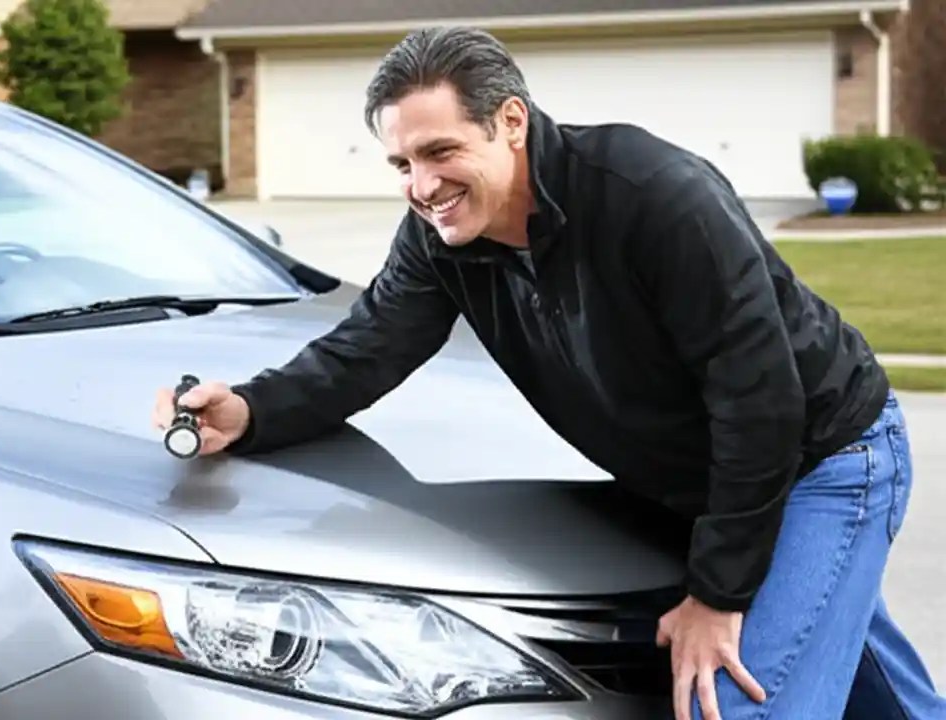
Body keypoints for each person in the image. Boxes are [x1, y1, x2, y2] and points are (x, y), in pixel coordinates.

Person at [151, 26, 944, 720]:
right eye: (401, 162)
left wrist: (717, 594)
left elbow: (759, 397)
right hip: (718, 485)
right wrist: (251, 411)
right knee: (882, 698)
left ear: (511, 122)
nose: (421, 186)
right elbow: (367, 347)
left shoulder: (653, 196)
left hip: (828, 460)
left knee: (728, 699)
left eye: (440, 152)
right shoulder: (441, 237)